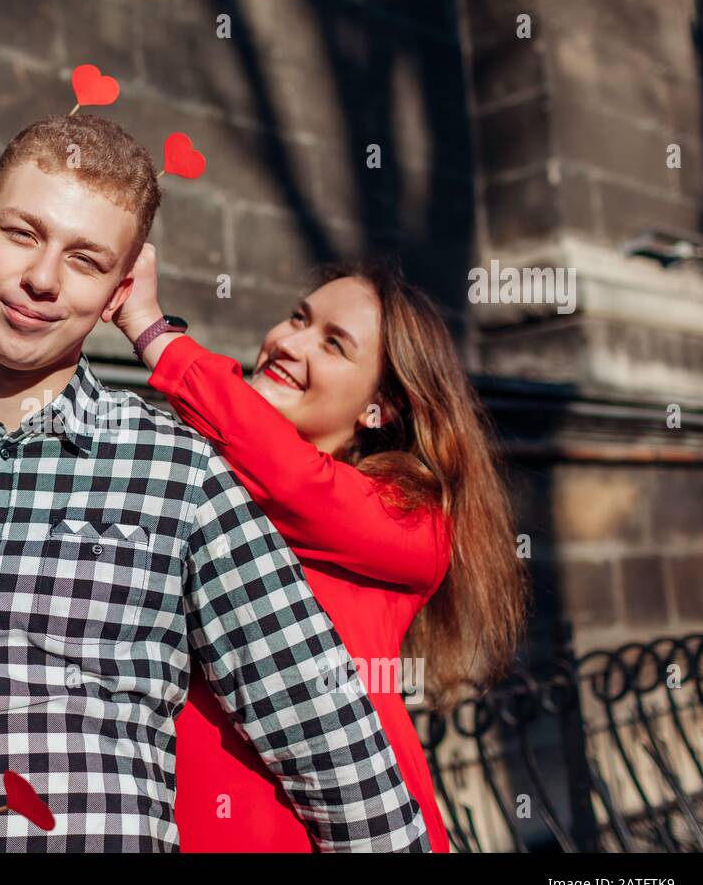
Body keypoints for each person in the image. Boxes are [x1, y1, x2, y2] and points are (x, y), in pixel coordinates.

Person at [0, 113, 431, 853]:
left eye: (86, 260)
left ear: (119, 290)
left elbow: (324, 731)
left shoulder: (180, 474)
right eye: (22, 234)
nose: (42, 279)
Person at [103, 243, 527, 850]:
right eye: (299, 318)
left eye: (334, 343)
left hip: (323, 829)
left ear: (382, 408)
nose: (291, 342)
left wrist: (150, 331)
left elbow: (297, 481)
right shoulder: (210, 472)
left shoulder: (414, 520)